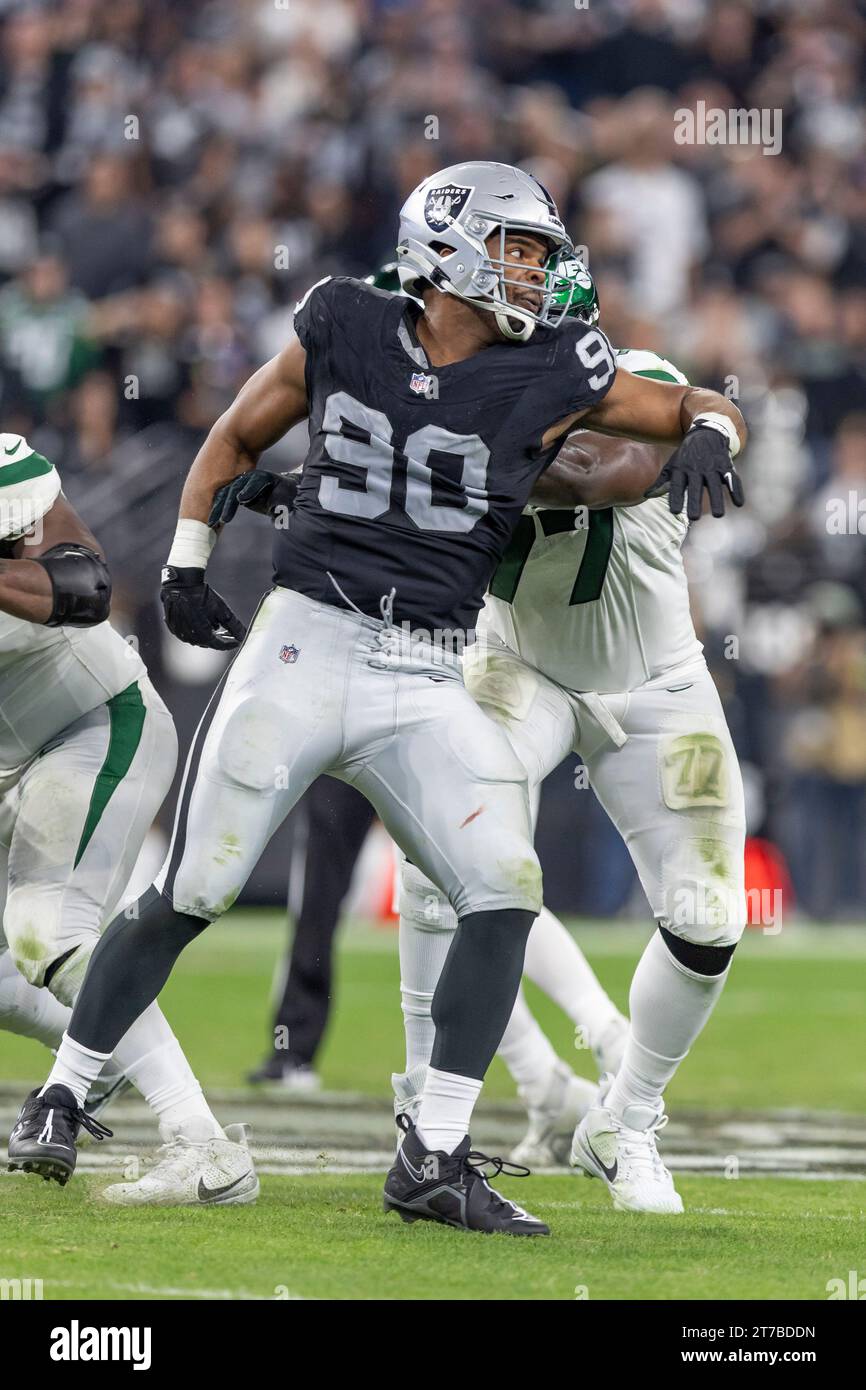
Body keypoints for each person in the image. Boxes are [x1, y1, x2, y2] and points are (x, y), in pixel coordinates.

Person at [9, 161, 745, 1236]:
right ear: (450, 247)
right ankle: (62, 1094)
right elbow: (239, 430)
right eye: (519, 251)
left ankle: (434, 1151)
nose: (535, 275)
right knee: (189, 889)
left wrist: (713, 429)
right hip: (306, 644)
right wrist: (185, 560)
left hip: (427, 668)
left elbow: (672, 411)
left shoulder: (552, 363)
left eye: (541, 255)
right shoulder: (345, 319)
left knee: (499, 887)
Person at [0, 433, 257, 1206]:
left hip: (92, 722)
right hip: (15, 750)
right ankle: (103, 1058)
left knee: (50, 930)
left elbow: (83, 582)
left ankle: (204, 1148)